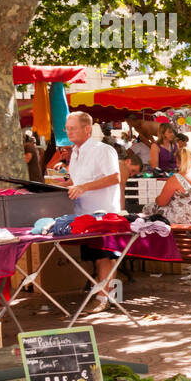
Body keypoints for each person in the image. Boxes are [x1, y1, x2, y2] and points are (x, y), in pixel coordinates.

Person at [63, 112, 122, 311]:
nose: (69, 131)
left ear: (87, 129)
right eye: (67, 128)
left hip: (103, 213)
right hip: (82, 214)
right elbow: (76, 181)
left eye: (73, 128)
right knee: (95, 256)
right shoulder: (75, 151)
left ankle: (103, 298)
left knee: (104, 255)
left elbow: (114, 177)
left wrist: (84, 187)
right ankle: (105, 293)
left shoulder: (102, 150)